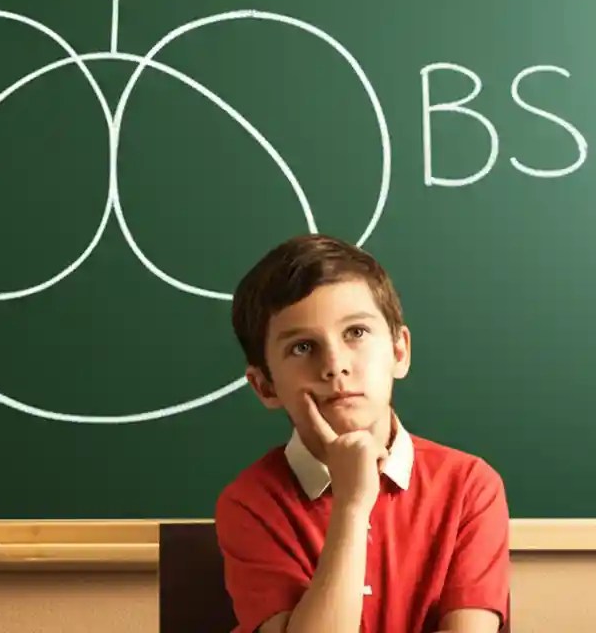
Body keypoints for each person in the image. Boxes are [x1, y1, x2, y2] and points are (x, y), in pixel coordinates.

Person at [215, 234, 510, 633]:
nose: (335, 365)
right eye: (302, 347)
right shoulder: (251, 503)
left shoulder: (469, 487)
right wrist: (352, 506)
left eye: (355, 333)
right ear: (265, 386)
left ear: (399, 351)